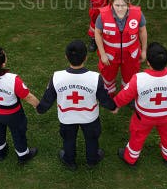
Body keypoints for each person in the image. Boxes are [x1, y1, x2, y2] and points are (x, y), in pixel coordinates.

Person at [36, 40, 117, 170]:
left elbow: (48, 99)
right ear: (86, 57)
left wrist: (40, 109)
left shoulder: (56, 77)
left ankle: (69, 161)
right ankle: (92, 159)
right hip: (90, 117)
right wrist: (113, 107)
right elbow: (103, 98)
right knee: (92, 139)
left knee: (68, 140)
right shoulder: (95, 77)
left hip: (66, 118)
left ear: (66, 57)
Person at [113, 42, 167, 165]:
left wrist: (114, 105)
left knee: (137, 136)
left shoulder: (138, 79)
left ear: (148, 63)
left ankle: (130, 158)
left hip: (143, 118)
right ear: (166, 60)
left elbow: (123, 96)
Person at [94, 0, 147, 97]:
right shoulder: (103, 15)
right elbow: (97, 33)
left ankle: (127, 95)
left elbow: (143, 31)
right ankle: (109, 94)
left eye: (123, 5)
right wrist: (103, 54)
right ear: (111, 2)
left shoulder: (137, 14)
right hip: (110, 55)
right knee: (107, 76)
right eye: (117, 5)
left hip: (131, 54)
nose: (120, 9)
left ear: (129, 3)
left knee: (130, 76)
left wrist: (144, 50)